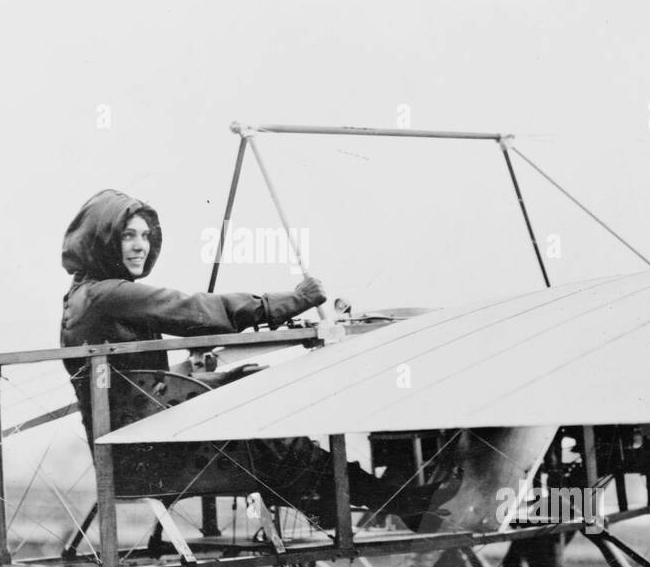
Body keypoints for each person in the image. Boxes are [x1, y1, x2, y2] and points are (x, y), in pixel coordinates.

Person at [58, 188, 440, 529]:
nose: (140, 245)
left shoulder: (82, 299)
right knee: (272, 430)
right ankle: (392, 498)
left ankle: (346, 499)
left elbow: (134, 382)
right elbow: (195, 311)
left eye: (145, 236)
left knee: (249, 387)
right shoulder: (110, 294)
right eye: (127, 236)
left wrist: (220, 382)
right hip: (152, 453)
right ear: (102, 240)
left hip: (132, 448)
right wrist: (292, 301)